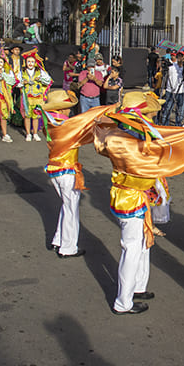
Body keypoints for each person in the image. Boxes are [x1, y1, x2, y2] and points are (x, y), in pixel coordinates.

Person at [94, 91, 184, 315]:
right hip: (131, 199)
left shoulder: (120, 134)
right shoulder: (129, 142)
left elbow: (165, 141)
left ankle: (138, 287)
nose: (154, 117)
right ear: (139, 115)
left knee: (142, 245)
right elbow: (165, 155)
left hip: (133, 197)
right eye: (149, 113)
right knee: (132, 249)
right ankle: (123, 302)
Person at [38, 91, 113, 257]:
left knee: (67, 206)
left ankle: (59, 239)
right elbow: (84, 124)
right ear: (62, 108)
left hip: (56, 169)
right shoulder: (63, 125)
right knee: (71, 209)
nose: (69, 110)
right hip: (66, 170)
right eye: (67, 107)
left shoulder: (50, 122)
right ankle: (68, 247)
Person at [19, 49, 53, 141]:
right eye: (28, 61)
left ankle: (35, 133)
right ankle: (28, 134)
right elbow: (17, 83)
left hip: (37, 97)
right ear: (25, 62)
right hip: (27, 97)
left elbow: (49, 80)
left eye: (32, 61)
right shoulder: (22, 72)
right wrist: (23, 82)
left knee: (36, 116)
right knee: (27, 116)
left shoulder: (40, 72)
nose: (30, 63)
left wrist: (40, 79)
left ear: (35, 63)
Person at [160, 52, 184, 126]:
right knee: (167, 109)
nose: (180, 58)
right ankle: (164, 126)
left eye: (181, 56)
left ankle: (178, 127)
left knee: (180, 112)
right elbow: (164, 74)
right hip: (171, 91)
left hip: (182, 92)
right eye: (178, 56)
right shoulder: (172, 66)